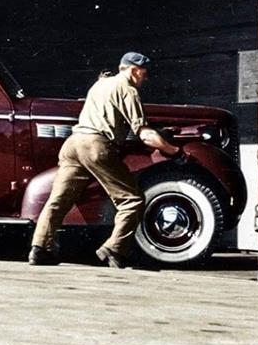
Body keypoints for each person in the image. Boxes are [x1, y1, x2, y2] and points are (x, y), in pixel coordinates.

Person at [28, 51, 181, 268]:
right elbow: (145, 134)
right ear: (134, 70)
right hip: (96, 146)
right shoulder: (128, 91)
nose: (145, 79)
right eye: (144, 74)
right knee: (132, 199)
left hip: (73, 144)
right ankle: (114, 249)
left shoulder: (99, 85)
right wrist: (175, 151)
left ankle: (40, 248)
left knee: (58, 201)